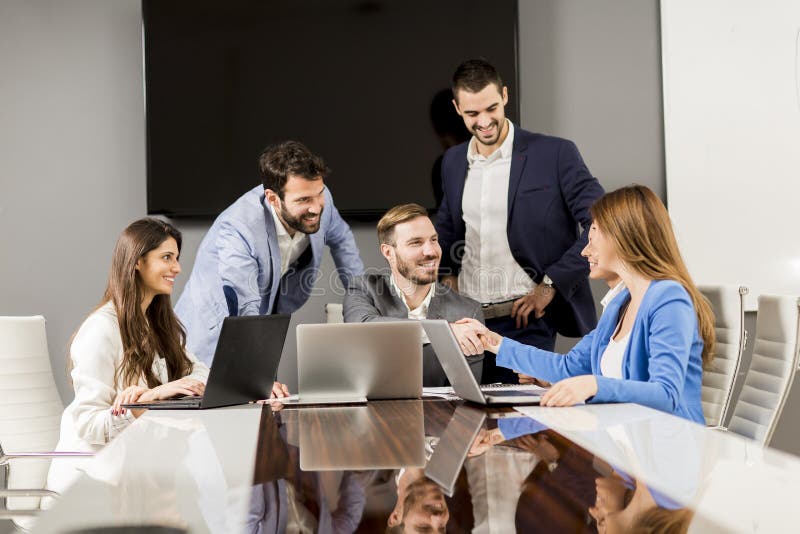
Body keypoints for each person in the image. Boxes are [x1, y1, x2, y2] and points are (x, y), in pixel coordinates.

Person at [461, 185, 715, 423]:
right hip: (627, 447)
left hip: (669, 453)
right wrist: (492, 342)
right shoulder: (619, 304)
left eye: (593, 238)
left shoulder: (669, 299)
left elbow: (666, 394)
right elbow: (568, 368)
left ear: (623, 239)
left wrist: (594, 384)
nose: (585, 251)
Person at [435, 58, 605, 384]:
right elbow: (446, 226)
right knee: (463, 421)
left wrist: (551, 284)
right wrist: (445, 273)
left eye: (491, 108)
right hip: (466, 321)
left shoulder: (555, 154)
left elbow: (604, 223)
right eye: (472, 114)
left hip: (528, 322)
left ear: (505, 96)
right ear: (457, 108)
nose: (484, 121)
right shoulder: (453, 161)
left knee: (522, 426)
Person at [46, 218, 211, 494]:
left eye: (177, 258)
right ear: (138, 262)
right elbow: (90, 425)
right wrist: (144, 402)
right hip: (89, 485)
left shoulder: (156, 324)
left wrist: (156, 393)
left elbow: (200, 373)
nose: (177, 268)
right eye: (167, 258)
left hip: (136, 478)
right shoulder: (100, 330)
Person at [175, 141, 364, 367]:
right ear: (273, 199)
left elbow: (341, 238)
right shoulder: (238, 228)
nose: (316, 207)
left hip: (263, 321)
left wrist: (363, 300)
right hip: (210, 332)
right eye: (304, 200)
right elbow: (245, 305)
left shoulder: (320, 196)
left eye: (319, 194)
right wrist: (254, 371)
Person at [343, 203, 485, 386]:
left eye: (434, 240)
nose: (431, 252)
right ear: (388, 252)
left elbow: (467, 393)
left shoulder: (468, 312)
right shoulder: (363, 288)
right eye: (416, 243)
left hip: (440, 413)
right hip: (374, 412)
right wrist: (444, 332)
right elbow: (361, 328)